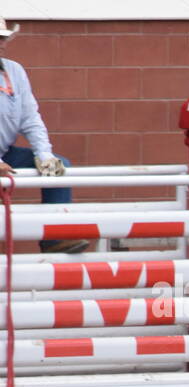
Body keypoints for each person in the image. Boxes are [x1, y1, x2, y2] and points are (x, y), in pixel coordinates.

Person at [0, 19, 85, 254]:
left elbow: (30, 118)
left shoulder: (13, 71)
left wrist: (44, 154)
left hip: (5, 151)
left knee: (59, 165)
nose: (2, 44)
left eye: (3, 38)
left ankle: (55, 237)